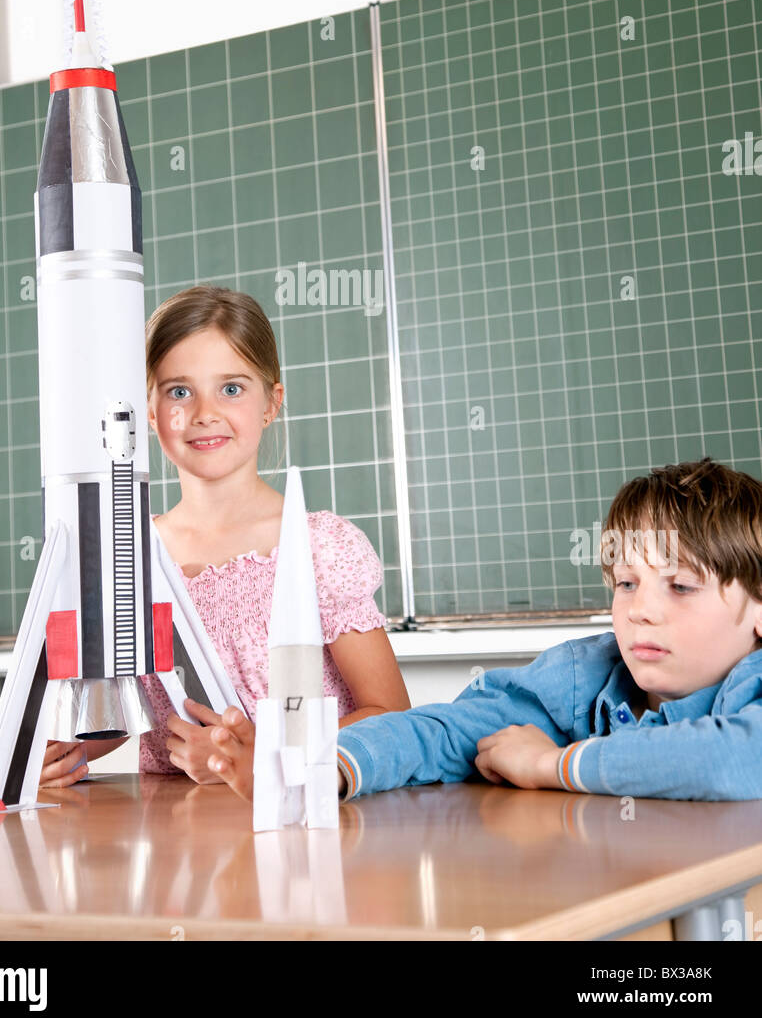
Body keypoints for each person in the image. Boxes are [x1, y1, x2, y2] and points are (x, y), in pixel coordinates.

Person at [203, 458, 762, 803]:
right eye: (625, 584)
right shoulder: (581, 678)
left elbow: (738, 759)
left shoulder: (751, 684)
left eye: (681, 587)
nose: (642, 610)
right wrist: (322, 770)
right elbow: (444, 732)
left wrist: (554, 765)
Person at [40, 284, 409, 789]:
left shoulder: (316, 547)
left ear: (271, 403)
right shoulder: (130, 552)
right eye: (178, 391)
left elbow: (389, 713)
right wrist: (70, 747)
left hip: (297, 826)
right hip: (177, 836)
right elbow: (129, 705)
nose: (203, 413)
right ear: (149, 411)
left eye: (231, 388)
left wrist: (257, 755)